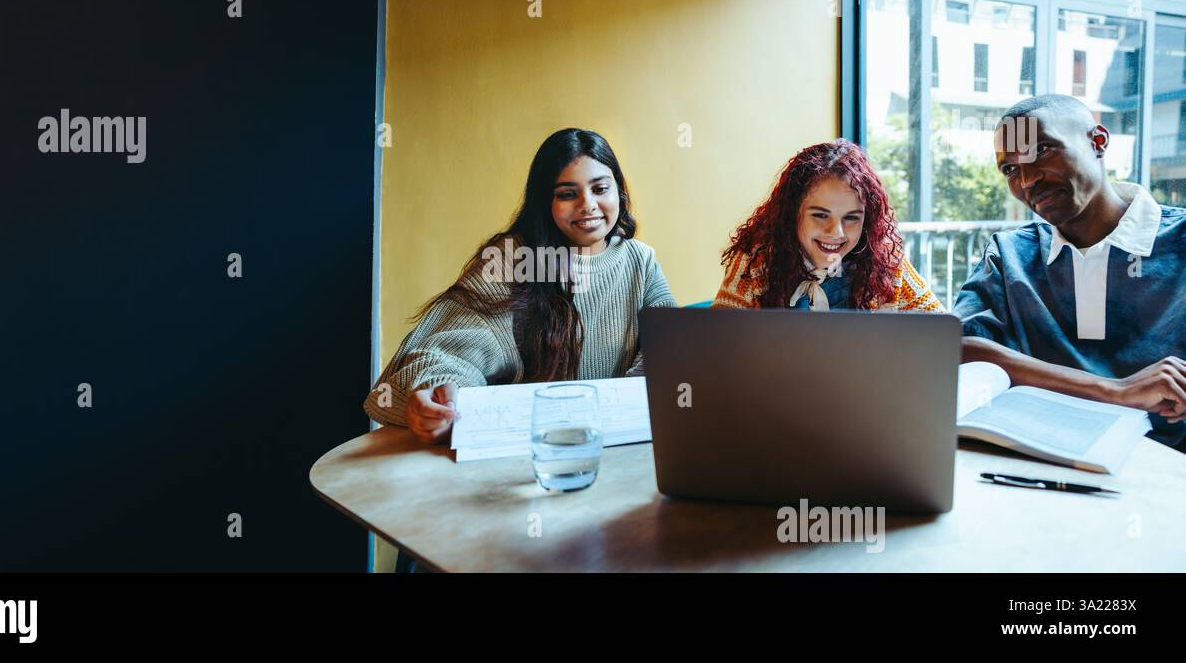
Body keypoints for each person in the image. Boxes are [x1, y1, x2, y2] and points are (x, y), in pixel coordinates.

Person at [364, 128, 676, 443]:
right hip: (523, 452)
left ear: (618, 192)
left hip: (614, 446)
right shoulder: (511, 259)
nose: (588, 205)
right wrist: (441, 396)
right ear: (545, 202)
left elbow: (671, 348)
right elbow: (448, 351)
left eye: (600, 189)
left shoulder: (641, 261)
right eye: (567, 194)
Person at [956, 94, 1186, 450]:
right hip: (1036, 460)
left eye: (1043, 150)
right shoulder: (1010, 254)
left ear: (1098, 142)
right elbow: (958, 347)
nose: (1028, 179)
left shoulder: (1181, 241)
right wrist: (1116, 391)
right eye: (1010, 169)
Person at [714, 138, 943, 312]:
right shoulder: (755, 259)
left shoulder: (886, 264)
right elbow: (714, 343)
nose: (836, 232)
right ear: (792, 213)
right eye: (821, 215)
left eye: (852, 217)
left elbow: (941, 335)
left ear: (867, 220)